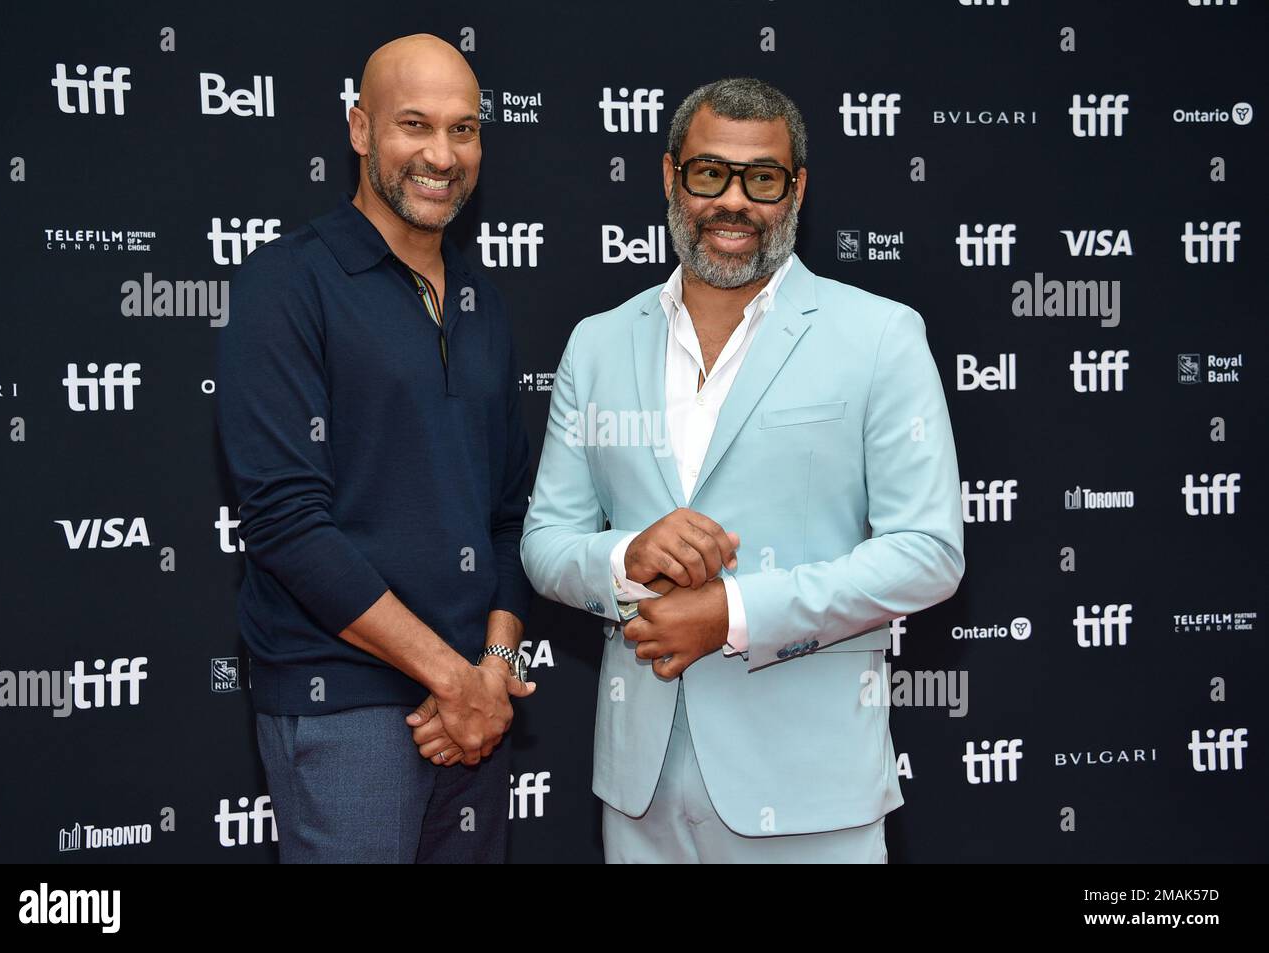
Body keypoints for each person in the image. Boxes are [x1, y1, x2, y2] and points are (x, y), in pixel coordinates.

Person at [520, 77, 964, 863]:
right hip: (641, 794)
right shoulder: (597, 343)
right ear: (669, 177)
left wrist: (734, 613)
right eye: (708, 173)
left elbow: (927, 554)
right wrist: (627, 556)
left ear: (795, 189)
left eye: (761, 178)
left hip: (810, 791)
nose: (734, 202)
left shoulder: (880, 336)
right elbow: (547, 541)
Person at [215, 34, 535, 864]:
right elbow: (286, 522)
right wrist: (453, 680)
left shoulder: (484, 303)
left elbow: (507, 513)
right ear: (360, 130)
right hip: (345, 702)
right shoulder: (285, 285)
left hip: (472, 714)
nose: (441, 153)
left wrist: (492, 667)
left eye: (464, 130)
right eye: (414, 125)